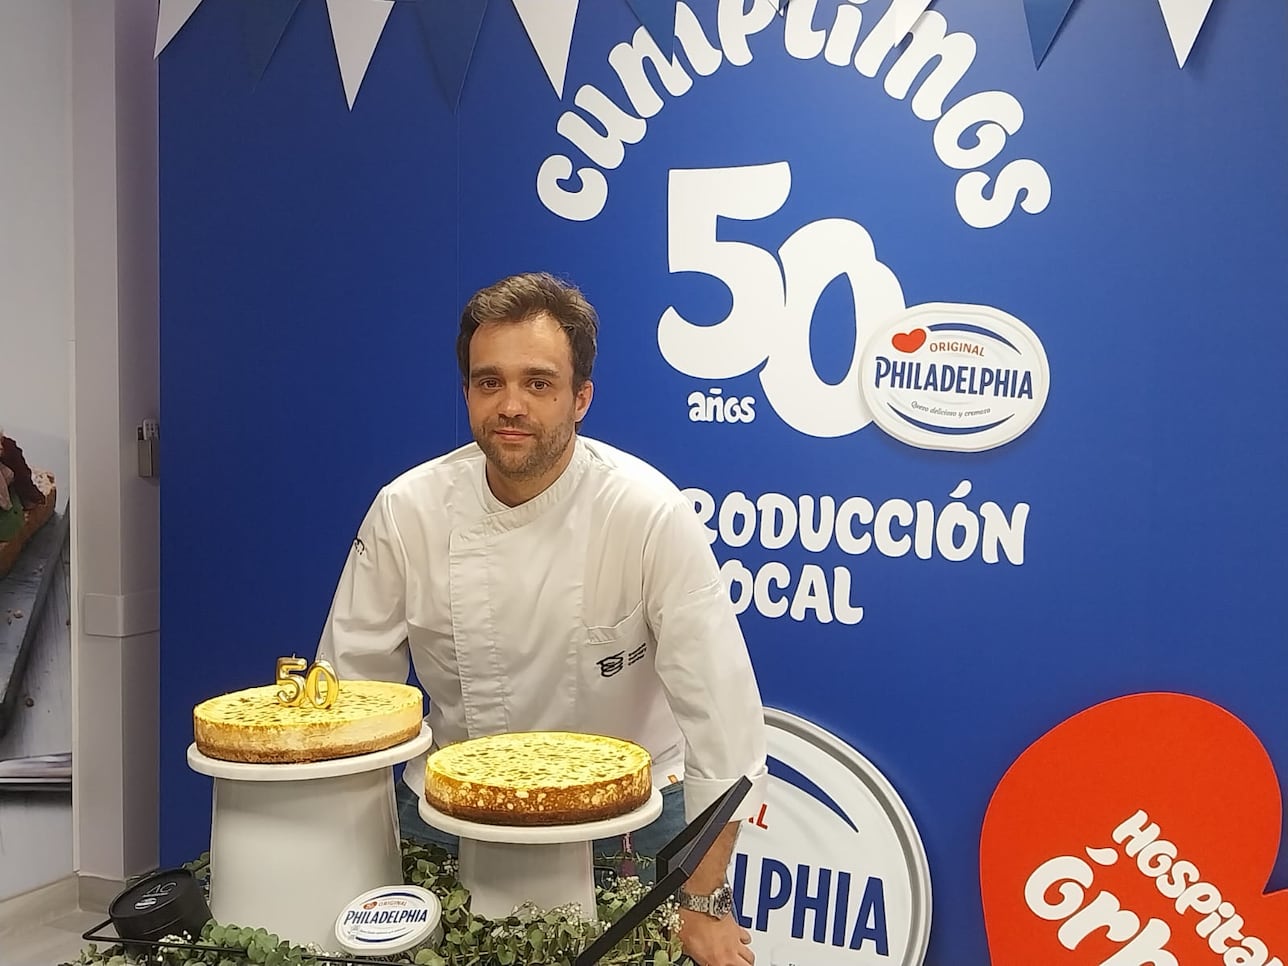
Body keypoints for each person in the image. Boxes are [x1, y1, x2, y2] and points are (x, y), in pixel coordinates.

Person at [316, 271, 767, 965]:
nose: (511, 406)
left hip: (630, 828)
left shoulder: (648, 514)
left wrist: (704, 902)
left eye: (539, 383)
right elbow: (349, 706)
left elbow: (723, 723)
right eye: (489, 382)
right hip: (446, 818)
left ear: (580, 399)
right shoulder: (406, 511)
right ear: (467, 392)